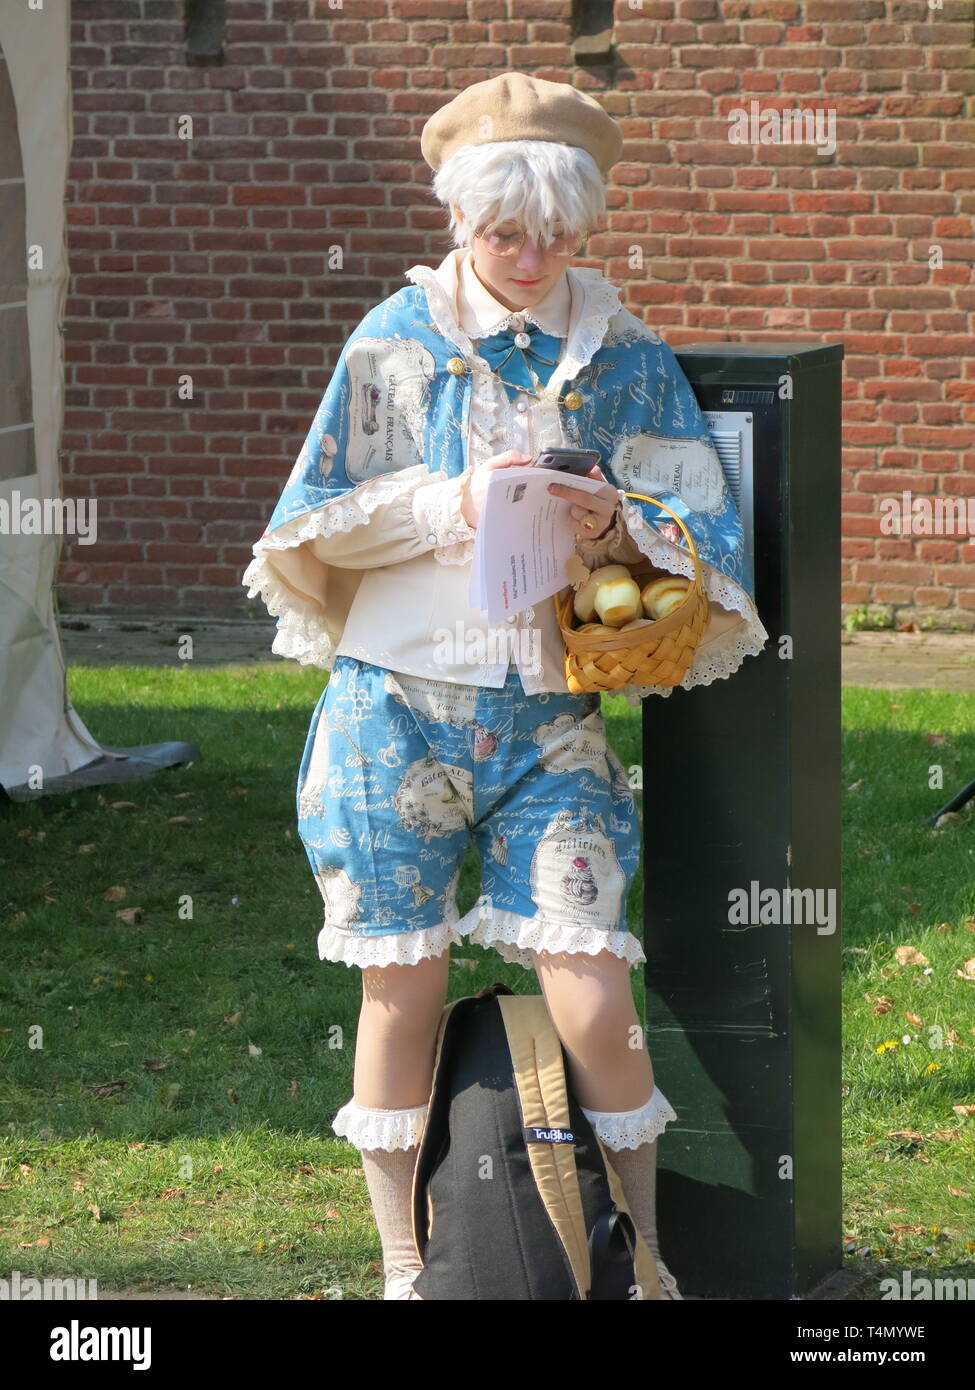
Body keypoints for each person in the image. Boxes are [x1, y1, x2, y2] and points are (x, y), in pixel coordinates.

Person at [242, 73, 768, 1300]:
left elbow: (703, 522)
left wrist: (621, 515)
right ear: (461, 224)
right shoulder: (397, 336)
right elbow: (314, 521)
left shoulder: (621, 351)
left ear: (585, 227)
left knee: (593, 986)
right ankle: (402, 1263)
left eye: (557, 235)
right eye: (504, 234)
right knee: (401, 987)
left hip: (548, 720)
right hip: (394, 714)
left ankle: (646, 1258)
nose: (532, 259)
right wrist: (453, 500)